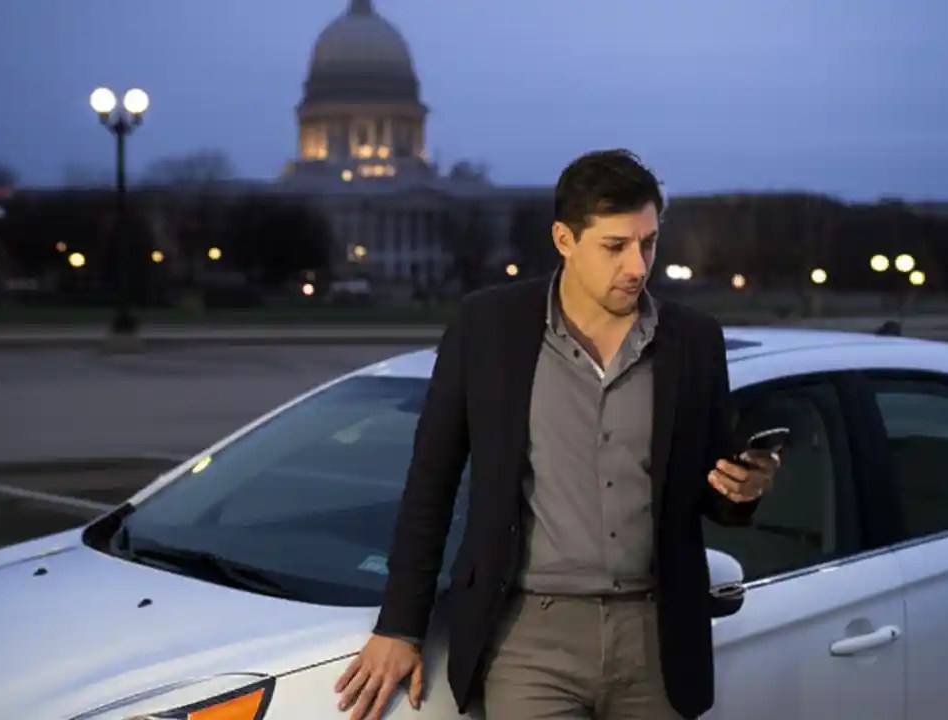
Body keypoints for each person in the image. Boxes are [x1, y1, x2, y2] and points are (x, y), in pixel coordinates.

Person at [333, 148, 780, 719]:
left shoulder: (694, 340)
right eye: (615, 246)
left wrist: (742, 490)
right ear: (564, 240)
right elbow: (431, 482)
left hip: (658, 640)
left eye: (648, 242)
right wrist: (400, 625)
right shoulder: (487, 328)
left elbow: (707, 490)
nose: (638, 267)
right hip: (529, 639)